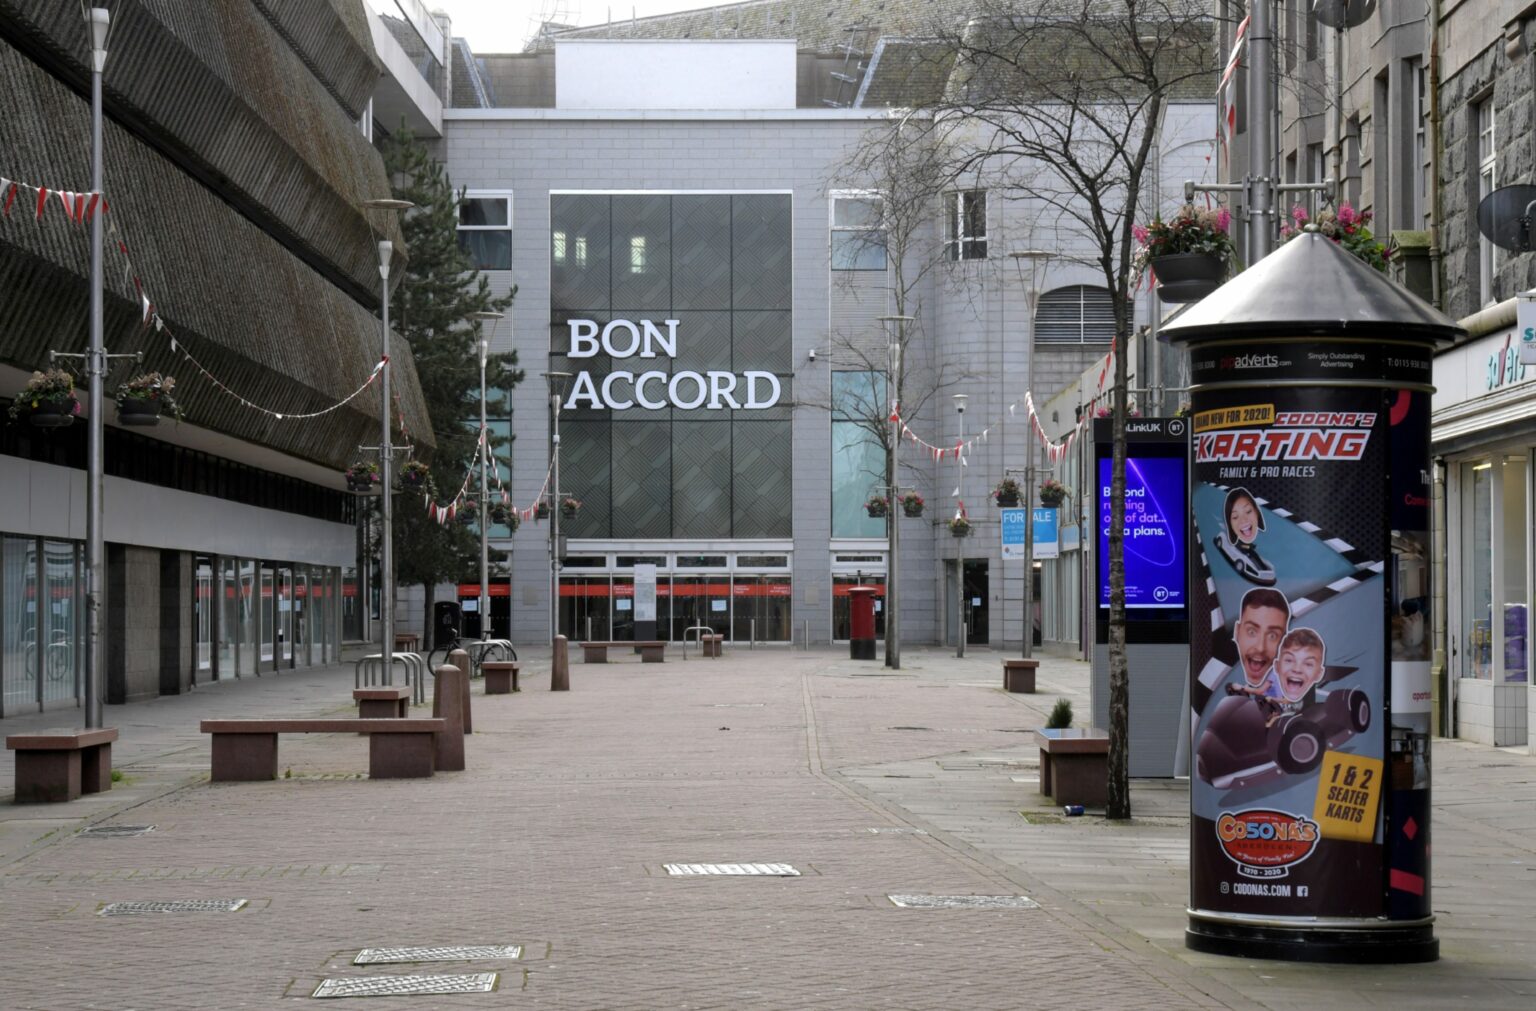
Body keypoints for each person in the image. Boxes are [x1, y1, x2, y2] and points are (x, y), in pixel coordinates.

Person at [1214, 486, 1276, 586]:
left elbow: (1248, 549)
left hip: (1247, 552)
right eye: (1235, 517)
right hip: (1241, 550)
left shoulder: (1252, 548)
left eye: (1248, 511)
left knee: (1254, 556)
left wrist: (1249, 548)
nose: (1243, 521)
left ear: (1257, 512)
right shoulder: (1229, 539)